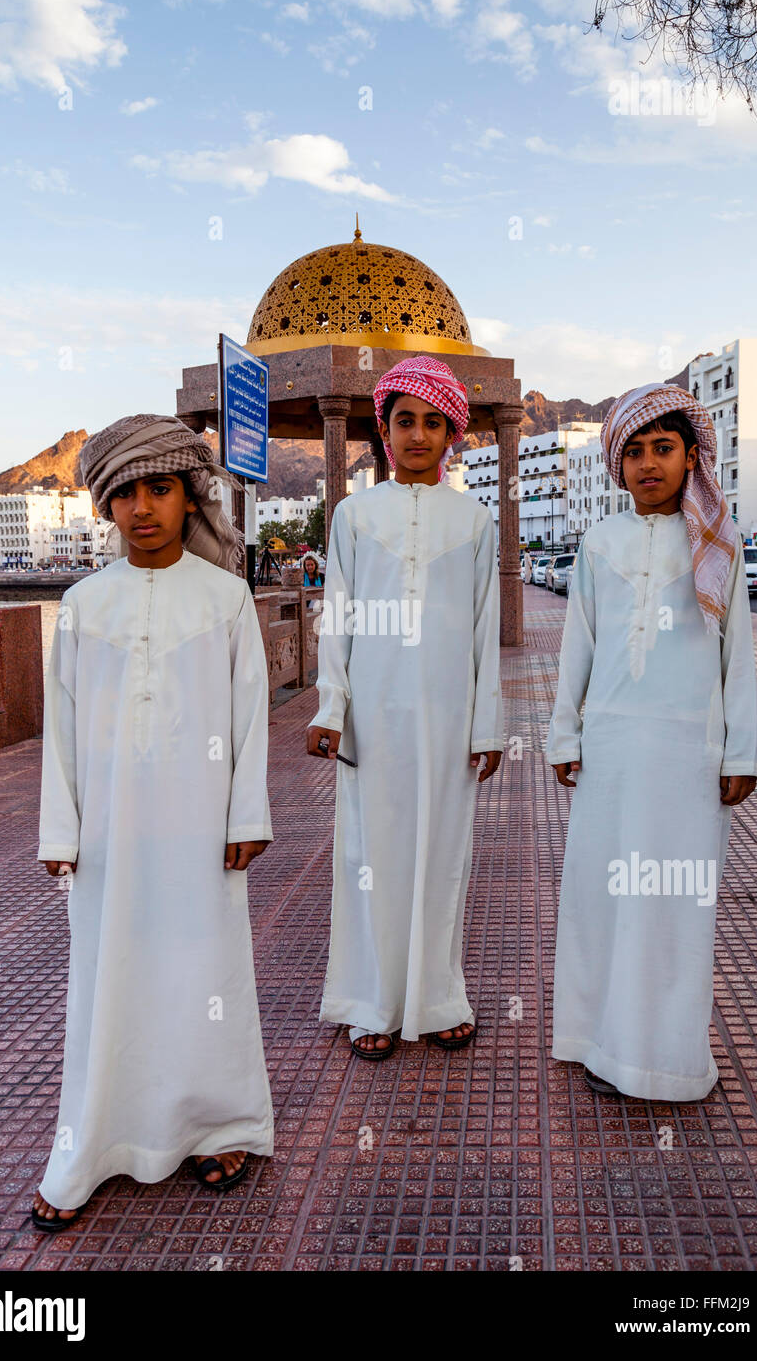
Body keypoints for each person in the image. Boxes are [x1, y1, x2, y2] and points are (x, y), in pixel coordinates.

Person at [32, 414, 274, 1230]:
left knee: (202, 975)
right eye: (126, 493)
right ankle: (97, 1145)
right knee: (110, 980)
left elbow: (248, 721)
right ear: (106, 507)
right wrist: (60, 835)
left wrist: (248, 814)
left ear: (187, 497)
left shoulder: (227, 598)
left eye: (159, 490)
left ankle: (216, 1124)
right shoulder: (82, 604)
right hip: (108, 839)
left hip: (201, 831)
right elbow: (60, 736)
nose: (143, 508)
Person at [547, 383, 757, 1101]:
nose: (648, 464)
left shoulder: (718, 542)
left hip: (686, 759)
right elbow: (579, 646)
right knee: (602, 899)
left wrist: (741, 752)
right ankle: (596, 1039)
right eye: (633, 451)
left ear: (691, 456)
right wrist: (563, 734)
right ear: (617, 464)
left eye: (662, 449)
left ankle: (664, 1059)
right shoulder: (600, 543)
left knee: (672, 906)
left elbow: (740, 661)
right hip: (609, 754)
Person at [306, 356, 505, 1060]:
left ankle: (439, 997)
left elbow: (484, 632)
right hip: (374, 718)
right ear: (385, 430)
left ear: (451, 433)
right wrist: (332, 708)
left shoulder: (475, 520)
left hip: (449, 719)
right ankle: (373, 1003)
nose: (418, 435)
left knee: (443, 859)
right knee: (370, 859)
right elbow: (339, 619)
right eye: (404, 421)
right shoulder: (354, 516)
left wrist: (487, 726)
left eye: (432, 423)